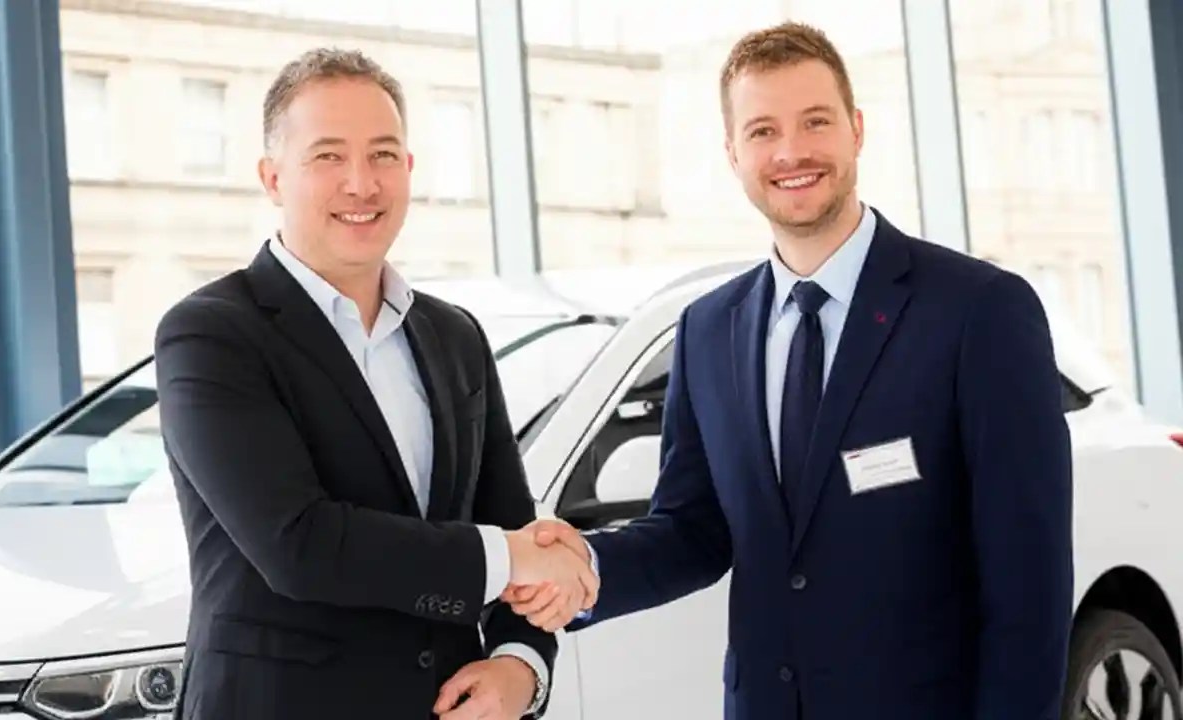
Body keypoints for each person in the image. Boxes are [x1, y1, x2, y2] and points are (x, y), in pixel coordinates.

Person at [505, 21, 1074, 720]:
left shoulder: (977, 311)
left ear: (857, 129)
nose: (792, 152)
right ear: (733, 153)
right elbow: (695, 529)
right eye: (763, 131)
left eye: (815, 122)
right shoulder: (708, 329)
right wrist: (587, 569)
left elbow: (1031, 584)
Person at [154, 48, 596, 720]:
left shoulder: (455, 337)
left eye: (384, 155)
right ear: (274, 178)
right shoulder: (212, 335)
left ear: (409, 169)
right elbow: (299, 546)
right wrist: (513, 558)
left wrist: (520, 666)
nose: (361, 183)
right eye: (328, 156)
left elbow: (512, 524)